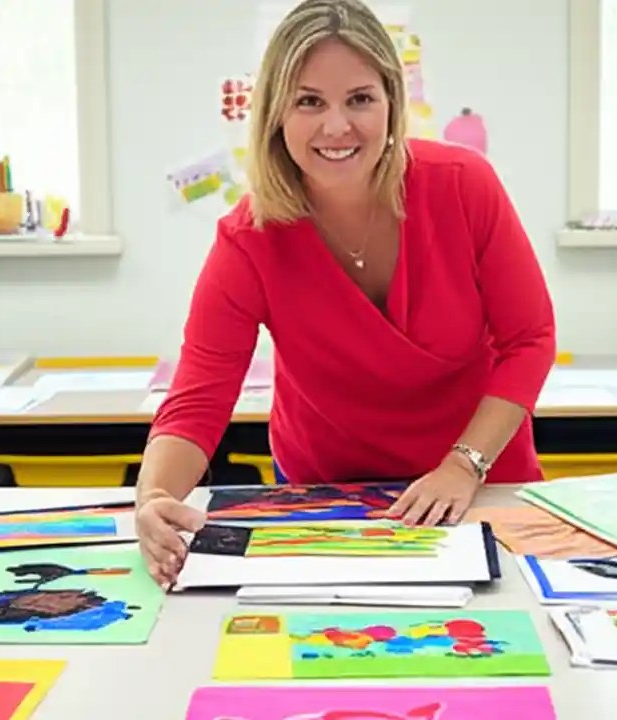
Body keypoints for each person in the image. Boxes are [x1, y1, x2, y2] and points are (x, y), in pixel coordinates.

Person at [135, 0, 555, 587]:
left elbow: (529, 339)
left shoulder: (464, 186)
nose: (337, 126)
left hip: (480, 481)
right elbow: (199, 396)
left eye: (360, 98)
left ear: (391, 102)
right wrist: (154, 497)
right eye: (310, 101)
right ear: (276, 112)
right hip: (331, 499)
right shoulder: (248, 239)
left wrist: (464, 466)